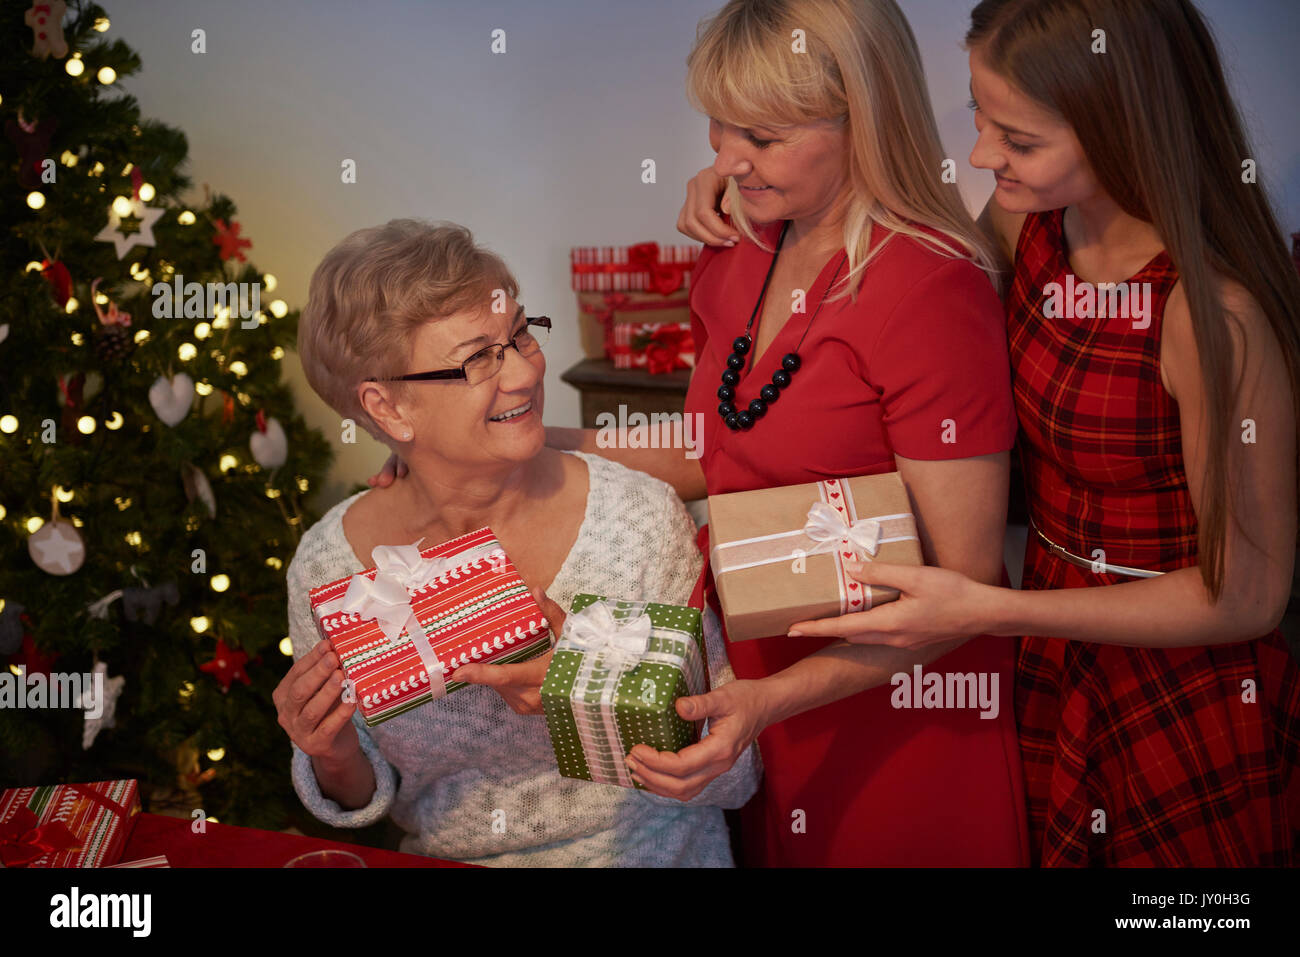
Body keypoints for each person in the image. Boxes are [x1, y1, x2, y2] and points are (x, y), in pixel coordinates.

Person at [761, 0, 1300, 866]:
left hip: (1175, 683)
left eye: (1017, 139)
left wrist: (993, 611)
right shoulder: (1030, 223)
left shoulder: (1213, 318)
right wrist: (758, 188)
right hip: (1053, 653)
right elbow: (925, 276)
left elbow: (1246, 595)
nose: (980, 155)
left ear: (1119, 126)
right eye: (980, 115)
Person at [558, 0, 1031, 866]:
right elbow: (713, 447)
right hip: (755, 675)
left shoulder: (930, 287)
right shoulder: (743, 241)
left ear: (866, 118)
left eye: (764, 136)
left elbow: (961, 593)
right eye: (720, 125)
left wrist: (775, 698)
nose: (727, 158)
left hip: (893, 705)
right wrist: (538, 445)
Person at [277, 219, 759, 867]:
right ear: (388, 409)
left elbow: (733, 770)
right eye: (478, 358)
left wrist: (585, 686)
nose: (525, 374)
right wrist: (329, 752)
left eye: (521, 335)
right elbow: (370, 795)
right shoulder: (326, 564)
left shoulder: (637, 516)